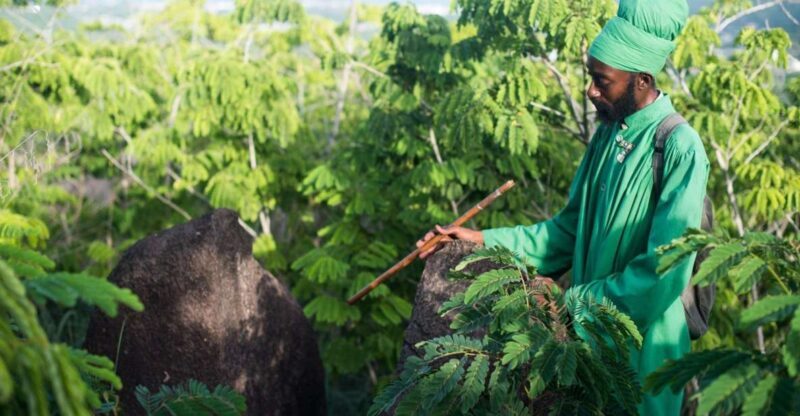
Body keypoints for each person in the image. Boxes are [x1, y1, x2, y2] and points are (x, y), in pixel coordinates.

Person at [416, 0, 709, 414]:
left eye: (601, 81)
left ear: (642, 80)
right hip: (585, 348)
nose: (591, 90)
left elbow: (663, 272)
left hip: (646, 354)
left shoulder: (680, 147)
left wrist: (573, 303)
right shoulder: (607, 136)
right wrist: (481, 240)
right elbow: (566, 232)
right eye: (591, 78)